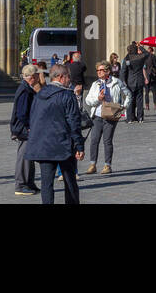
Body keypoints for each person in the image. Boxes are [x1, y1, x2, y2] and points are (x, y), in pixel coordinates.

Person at [27, 63, 85, 205]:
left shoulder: (40, 94)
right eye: (68, 77)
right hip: (63, 144)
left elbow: (33, 119)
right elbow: (74, 123)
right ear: (60, 77)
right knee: (70, 182)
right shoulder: (67, 95)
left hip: (43, 145)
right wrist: (79, 145)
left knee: (46, 184)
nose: (70, 80)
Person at [84, 60, 130, 174]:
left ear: (108, 71)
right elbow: (88, 100)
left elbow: (128, 94)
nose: (99, 72)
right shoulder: (95, 84)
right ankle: (92, 164)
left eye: (101, 70)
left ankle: (107, 165)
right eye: (97, 70)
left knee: (107, 141)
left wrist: (123, 107)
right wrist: (97, 99)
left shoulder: (116, 82)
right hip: (97, 115)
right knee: (94, 140)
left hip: (110, 115)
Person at [11, 63, 42, 196]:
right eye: (37, 75)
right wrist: (29, 127)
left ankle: (29, 182)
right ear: (32, 77)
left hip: (25, 128)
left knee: (30, 155)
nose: (39, 77)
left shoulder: (27, 88)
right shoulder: (24, 90)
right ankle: (21, 184)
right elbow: (22, 113)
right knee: (24, 157)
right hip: (23, 129)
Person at [122, 42, 148, 123]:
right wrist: (140, 46)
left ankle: (129, 118)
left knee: (130, 99)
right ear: (136, 50)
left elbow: (123, 71)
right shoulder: (140, 57)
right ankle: (140, 118)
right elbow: (147, 53)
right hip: (139, 80)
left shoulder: (127, 59)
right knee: (139, 100)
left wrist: (123, 81)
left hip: (130, 82)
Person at [143, 45, 156, 111]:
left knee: (146, 92)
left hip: (147, 76)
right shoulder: (153, 56)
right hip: (153, 76)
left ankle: (147, 106)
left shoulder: (145, 58)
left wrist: (145, 78)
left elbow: (144, 68)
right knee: (154, 92)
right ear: (152, 51)